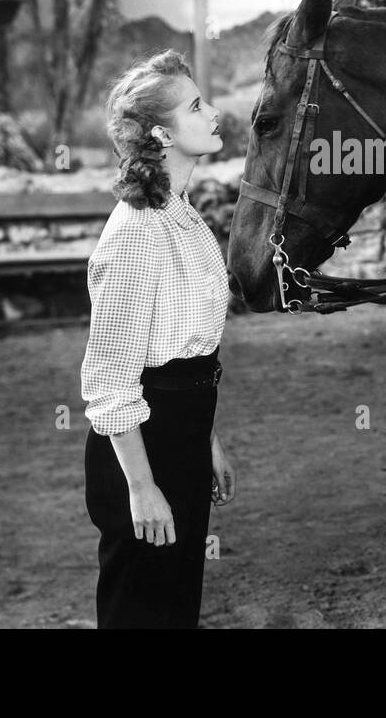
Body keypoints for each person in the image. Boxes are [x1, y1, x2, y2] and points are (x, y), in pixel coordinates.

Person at [81, 50, 236, 628]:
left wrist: (206, 442)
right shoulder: (136, 232)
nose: (214, 112)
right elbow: (111, 378)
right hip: (141, 451)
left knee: (175, 611)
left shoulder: (180, 214)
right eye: (197, 106)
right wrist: (141, 486)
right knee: (140, 614)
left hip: (181, 436)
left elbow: (186, 350)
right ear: (161, 134)